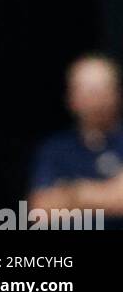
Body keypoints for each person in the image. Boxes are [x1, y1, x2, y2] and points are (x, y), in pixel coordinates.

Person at [30, 55, 123, 226]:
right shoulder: (55, 149)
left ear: (117, 93)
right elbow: (39, 211)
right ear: (71, 98)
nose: (96, 99)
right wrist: (104, 192)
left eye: (103, 89)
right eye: (88, 90)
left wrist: (73, 194)